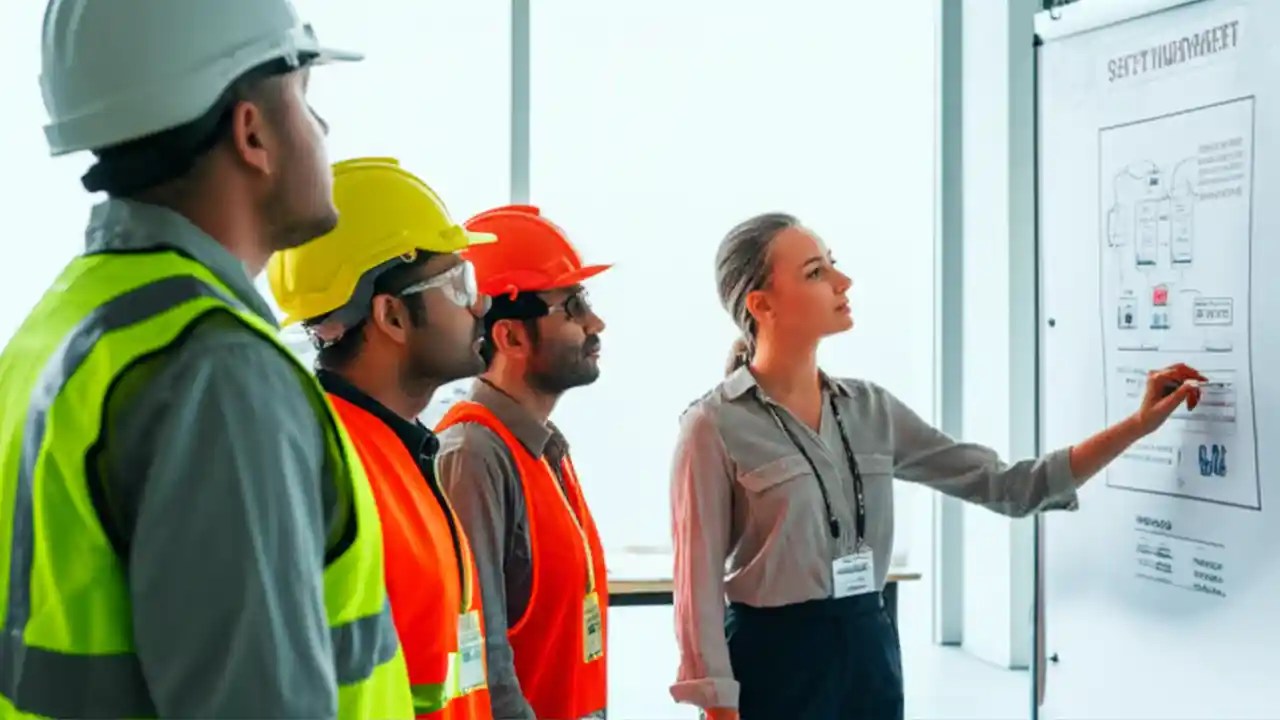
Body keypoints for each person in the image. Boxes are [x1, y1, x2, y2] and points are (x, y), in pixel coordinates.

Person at [0, 2, 413, 718]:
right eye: (304, 99)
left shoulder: (63, 325)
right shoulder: (219, 373)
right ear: (252, 133)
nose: (322, 129)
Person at [669, 212, 1204, 720]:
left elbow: (1010, 486)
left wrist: (1137, 426)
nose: (843, 281)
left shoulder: (871, 409)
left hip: (870, 651)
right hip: (773, 663)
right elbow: (696, 588)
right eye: (816, 272)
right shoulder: (712, 426)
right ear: (762, 304)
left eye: (833, 263)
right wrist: (718, 706)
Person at [268, 156, 499, 720]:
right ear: (392, 316)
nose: (481, 304)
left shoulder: (398, 447)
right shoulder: (328, 465)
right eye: (459, 284)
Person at [434, 205, 612, 720]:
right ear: (510, 337)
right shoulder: (472, 455)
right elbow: (485, 661)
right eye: (573, 306)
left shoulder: (542, 447)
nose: (595, 323)